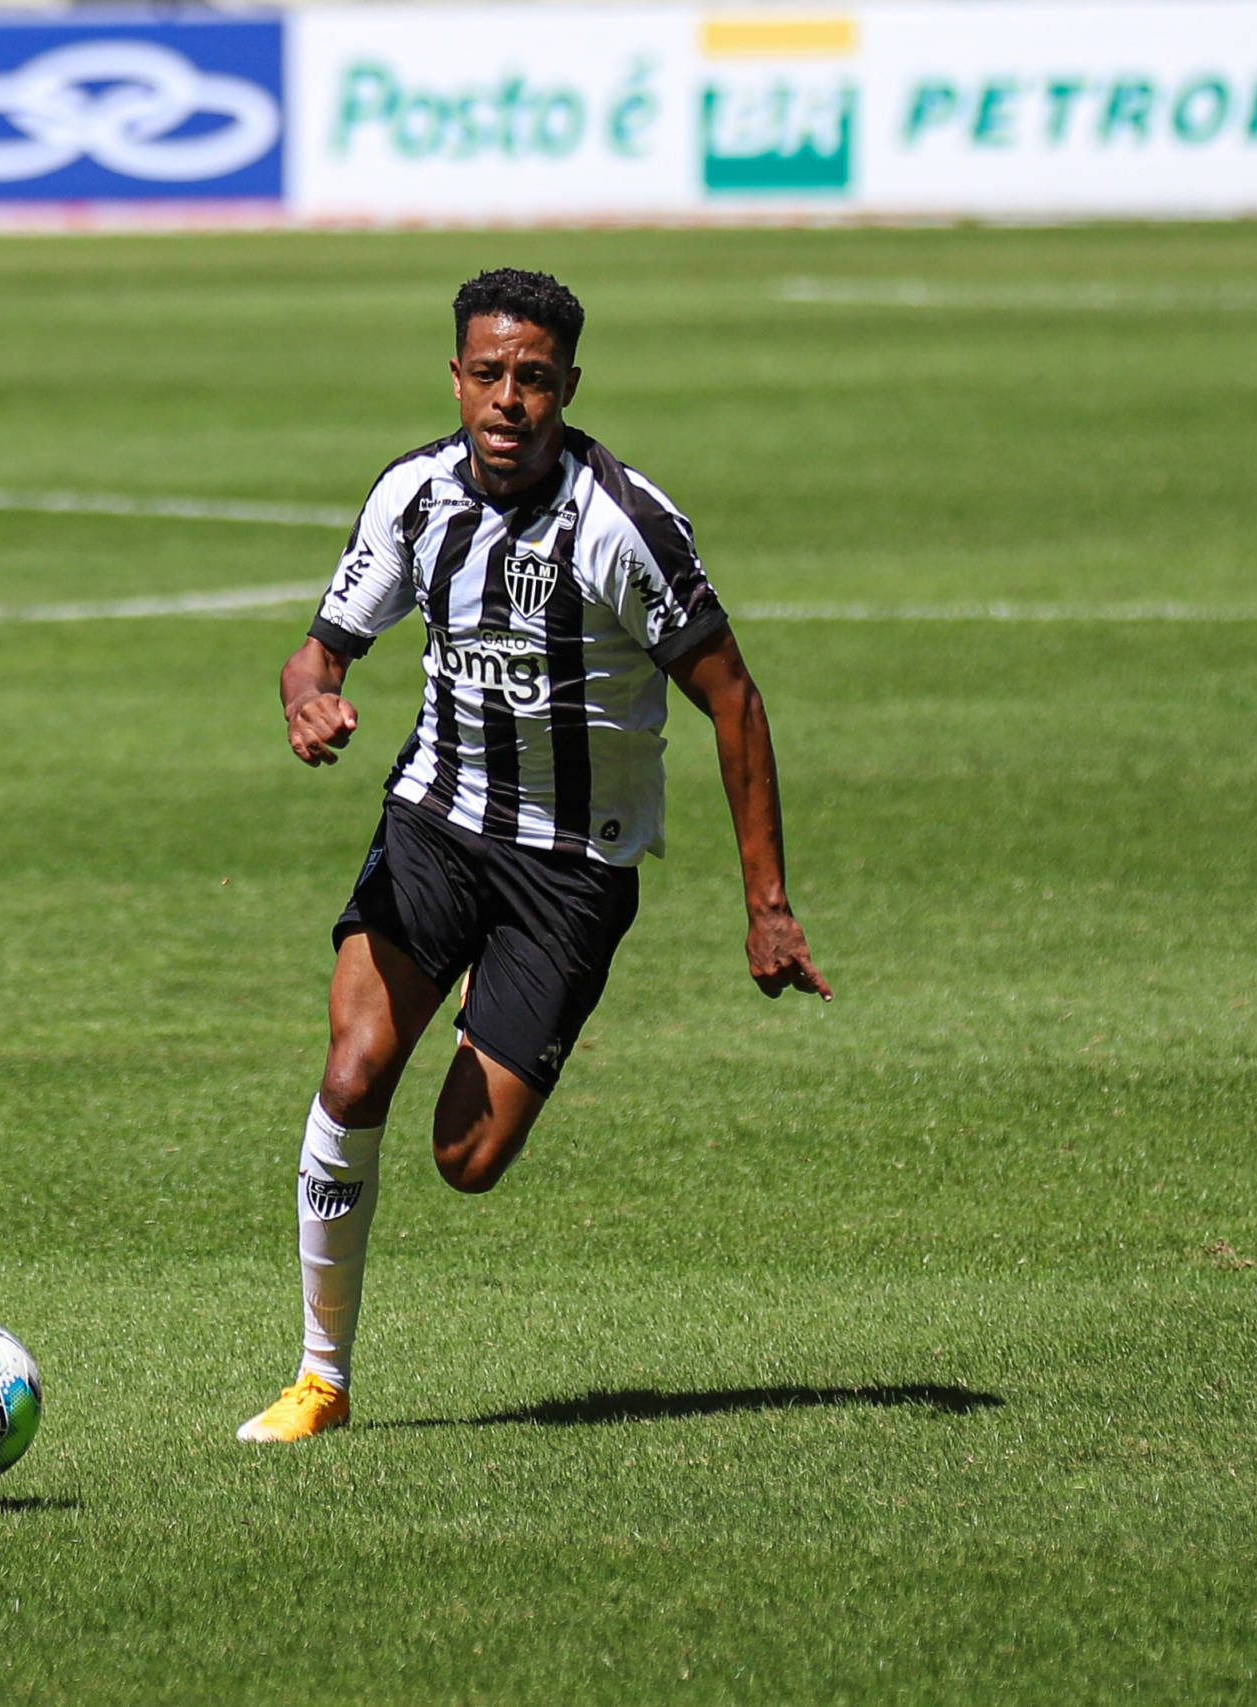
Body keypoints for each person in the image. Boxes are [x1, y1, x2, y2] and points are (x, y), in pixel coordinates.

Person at [238, 269, 832, 1443]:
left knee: (464, 1158)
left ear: (567, 388)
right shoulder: (411, 497)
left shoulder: (626, 529)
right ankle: (320, 1379)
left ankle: (499, 1003)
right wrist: (310, 701)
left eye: (535, 380)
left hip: (571, 867)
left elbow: (735, 702)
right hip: (435, 822)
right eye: (488, 375)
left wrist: (766, 905)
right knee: (355, 1072)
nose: (509, 400)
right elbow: (317, 652)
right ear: (455, 377)